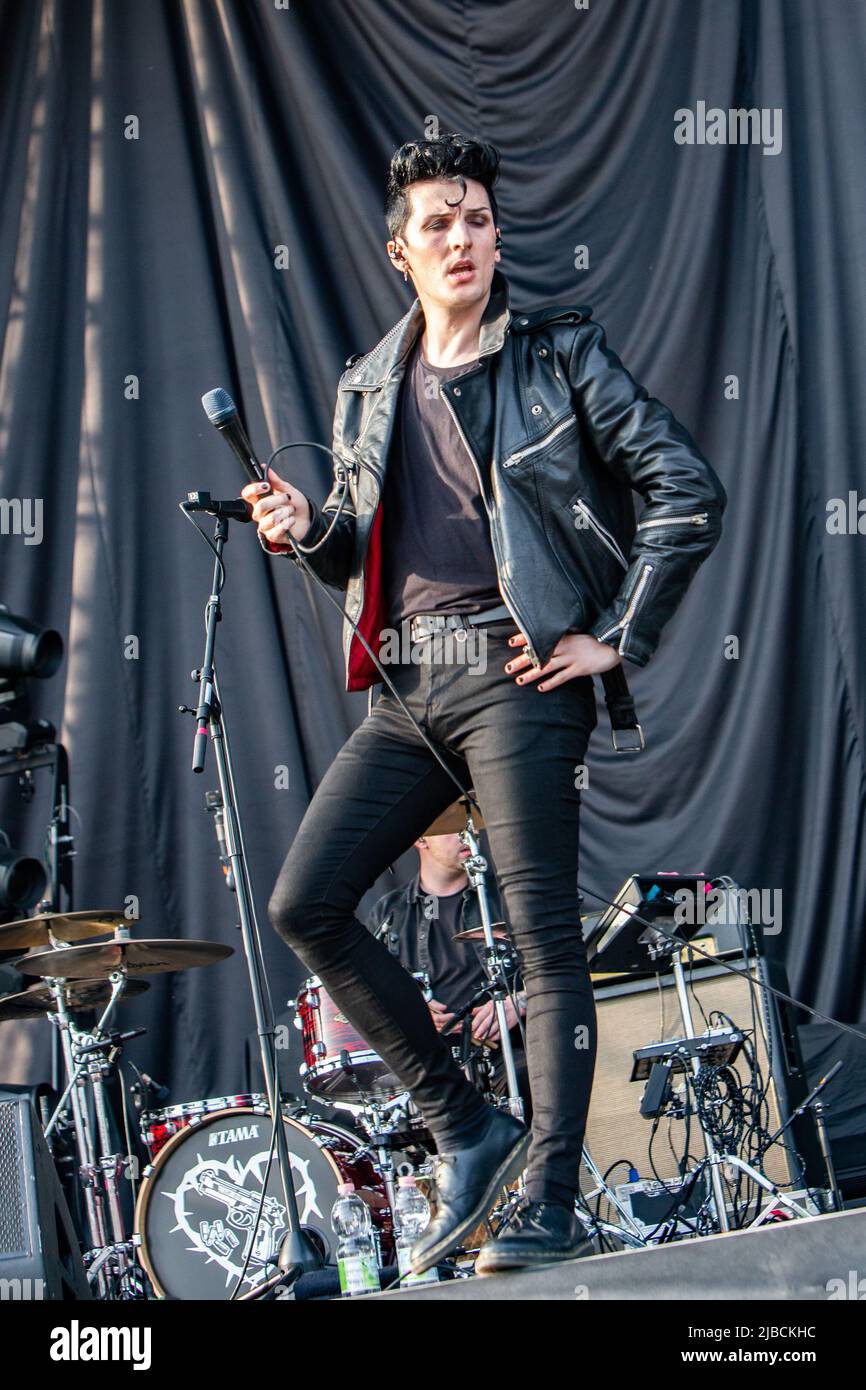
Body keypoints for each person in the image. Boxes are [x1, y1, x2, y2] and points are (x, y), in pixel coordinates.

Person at [243, 133, 726, 1275]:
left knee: (544, 938)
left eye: (473, 219)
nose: (458, 239)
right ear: (398, 252)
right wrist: (306, 530)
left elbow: (683, 489)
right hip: (408, 685)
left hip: (516, 678)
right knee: (304, 903)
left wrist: (611, 638)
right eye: (435, 225)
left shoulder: (558, 355)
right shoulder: (368, 382)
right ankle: (469, 1124)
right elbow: (354, 551)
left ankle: (548, 1199)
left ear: (494, 235)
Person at [365, 830, 532, 1122]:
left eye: (469, 826)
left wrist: (518, 1001)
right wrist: (408, 1010)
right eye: (453, 827)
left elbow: (561, 966)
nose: (467, 835)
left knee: (535, 1077)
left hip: (508, 1055)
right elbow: (362, 998)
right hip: (431, 1065)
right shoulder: (388, 915)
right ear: (420, 839)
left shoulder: (507, 897)